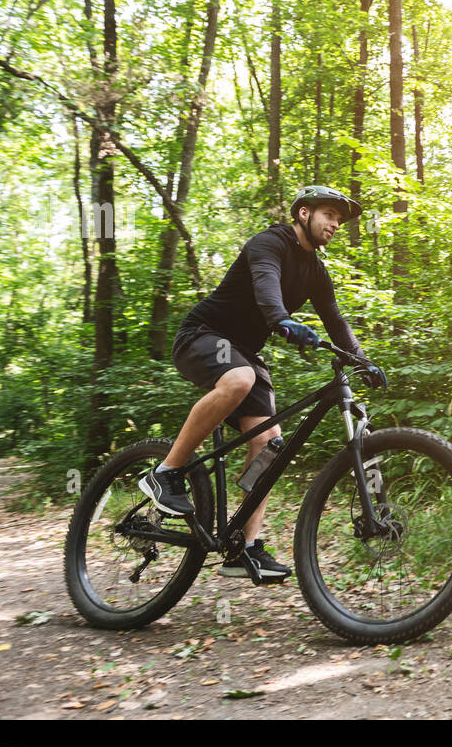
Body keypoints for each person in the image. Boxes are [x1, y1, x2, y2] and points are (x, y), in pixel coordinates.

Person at [138, 185, 387, 580]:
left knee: (269, 443)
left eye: (340, 220)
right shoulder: (270, 242)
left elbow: (335, 320)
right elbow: (266, 283)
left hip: (243, 353)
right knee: (240, 378)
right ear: (304, 213)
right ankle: (166, 472)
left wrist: (363, 361)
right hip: (203, 335)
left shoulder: (315, 271)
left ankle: (243, 547)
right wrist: (281, 319)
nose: (336, 224)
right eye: (330, 215)